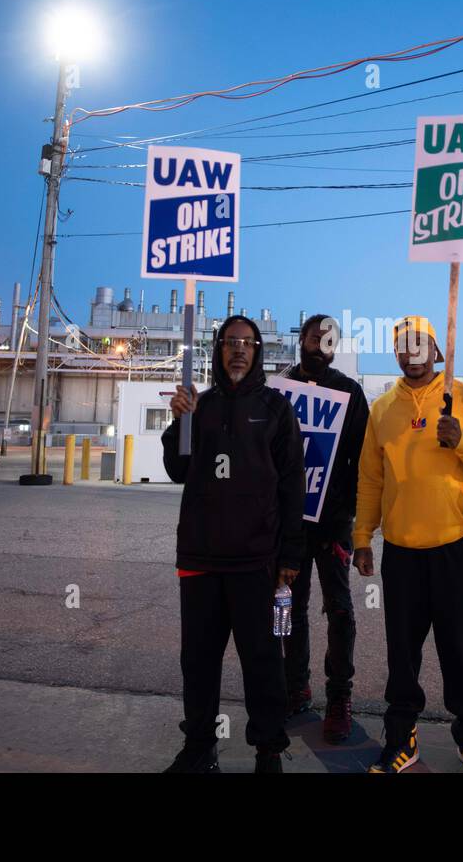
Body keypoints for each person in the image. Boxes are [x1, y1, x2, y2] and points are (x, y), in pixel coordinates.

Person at [354, 316, 463, 773]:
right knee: (402, 654)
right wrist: (363, 537)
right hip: (400, 552)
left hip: (454, 546)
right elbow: (370, 480)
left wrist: (462, 443)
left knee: (462, 651)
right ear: (396, 354)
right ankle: (402, 739)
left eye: (419, 343)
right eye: (402, 344)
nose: (410, 351)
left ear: (436, 351)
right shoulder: (381, 410)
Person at [161, 315, 305, 774]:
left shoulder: (277, 409)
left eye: (247, 342)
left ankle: (268, 751)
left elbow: (293, 488)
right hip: (201, 557)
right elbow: (178, 471)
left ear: (259, 350)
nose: (238, 350)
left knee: (263, 664)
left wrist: (290, 555)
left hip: (256, 561)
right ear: (218, 350)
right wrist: (175, 424)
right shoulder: (198, 407)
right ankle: (200, 748)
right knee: (198, 664)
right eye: (230, 342)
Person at [280, 314, 370, 743]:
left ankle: (339, 696)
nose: (321, 344)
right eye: (315, 337)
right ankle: (295, 688)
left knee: (338, 609)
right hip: (290, 525)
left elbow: (364, 461)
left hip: (333, 522)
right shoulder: (279, 391)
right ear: (303, 340)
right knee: (288, 609)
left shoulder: (349, 393)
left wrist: (350, 514)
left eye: (329, 339)